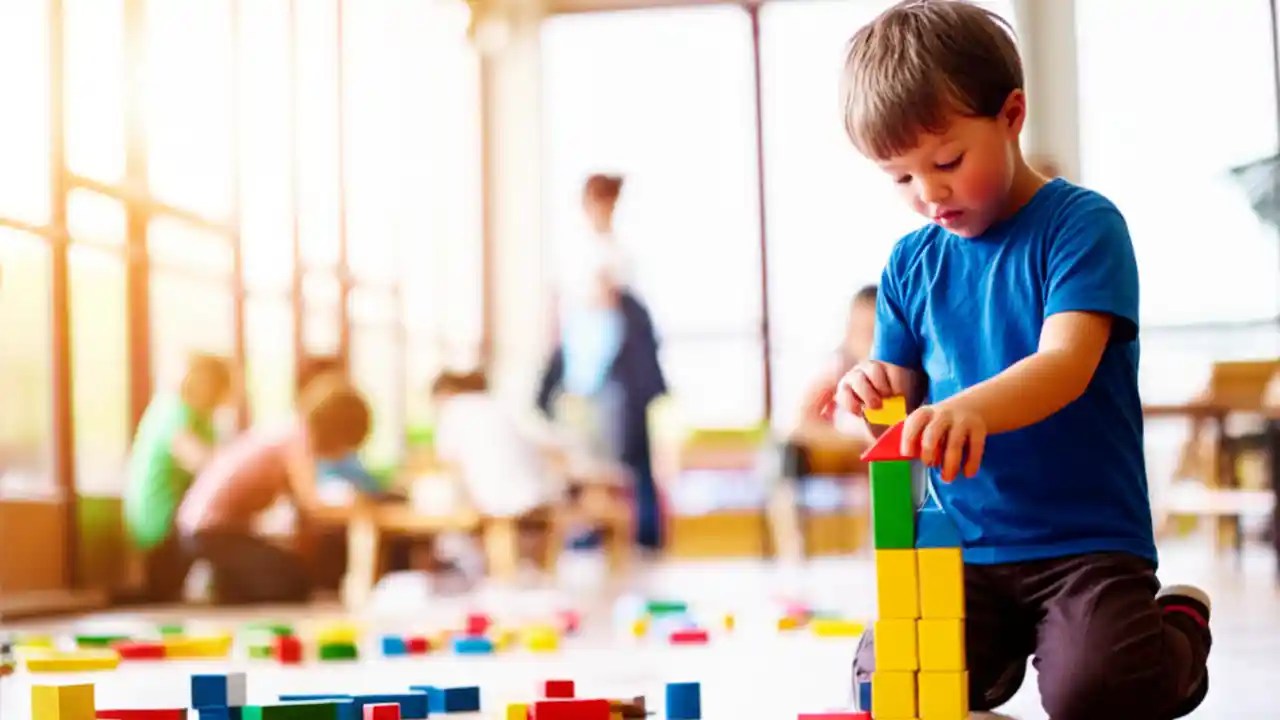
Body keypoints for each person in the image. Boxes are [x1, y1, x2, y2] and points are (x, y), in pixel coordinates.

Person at [827, 3, 1210, 718]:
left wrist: (971, 406)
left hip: (1087, 544)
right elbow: (898, 412)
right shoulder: (910, 264)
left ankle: (1180, 635)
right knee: (893, 686)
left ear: (1011, 115)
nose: (929, 194)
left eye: (947, 163)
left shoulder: (1082, 225)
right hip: (963, 550)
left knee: (1096, 693)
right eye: (901, 178)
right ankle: (993, 662)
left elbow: (1065, 363)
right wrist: (867, 393)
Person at [539, 173, 668, 551]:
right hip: (586, 369)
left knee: (620, 456)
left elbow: (608, 309)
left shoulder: (617, 254)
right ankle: (594, 530)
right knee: (590, 452)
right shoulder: (580, 252)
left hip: (615, 371)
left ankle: (628, 533)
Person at [175, 375, 371, 604]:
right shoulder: (296, 438)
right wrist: (360, 510)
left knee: (290, 565)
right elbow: (312, 505)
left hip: (206, 527)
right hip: (209, 531)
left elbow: (298, 507)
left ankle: (223, 579)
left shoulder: (286, 429)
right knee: (294, 581)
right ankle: (220, 581)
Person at [768, 286, 878, 562]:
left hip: (884, 454)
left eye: (873, 330)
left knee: (894, 465)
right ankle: (793, 551)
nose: (865, 340)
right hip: (845, 447)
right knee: (786, 454)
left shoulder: (902, 376)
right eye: (859, 331)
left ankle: (879, 547)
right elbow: (799, 425)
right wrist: (846, 441)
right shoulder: (834, 376)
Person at [123, 353, 233, 602]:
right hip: (160, 521)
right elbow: (199, 461)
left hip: (182, 515)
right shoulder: (172, 410)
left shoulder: (203, 419)